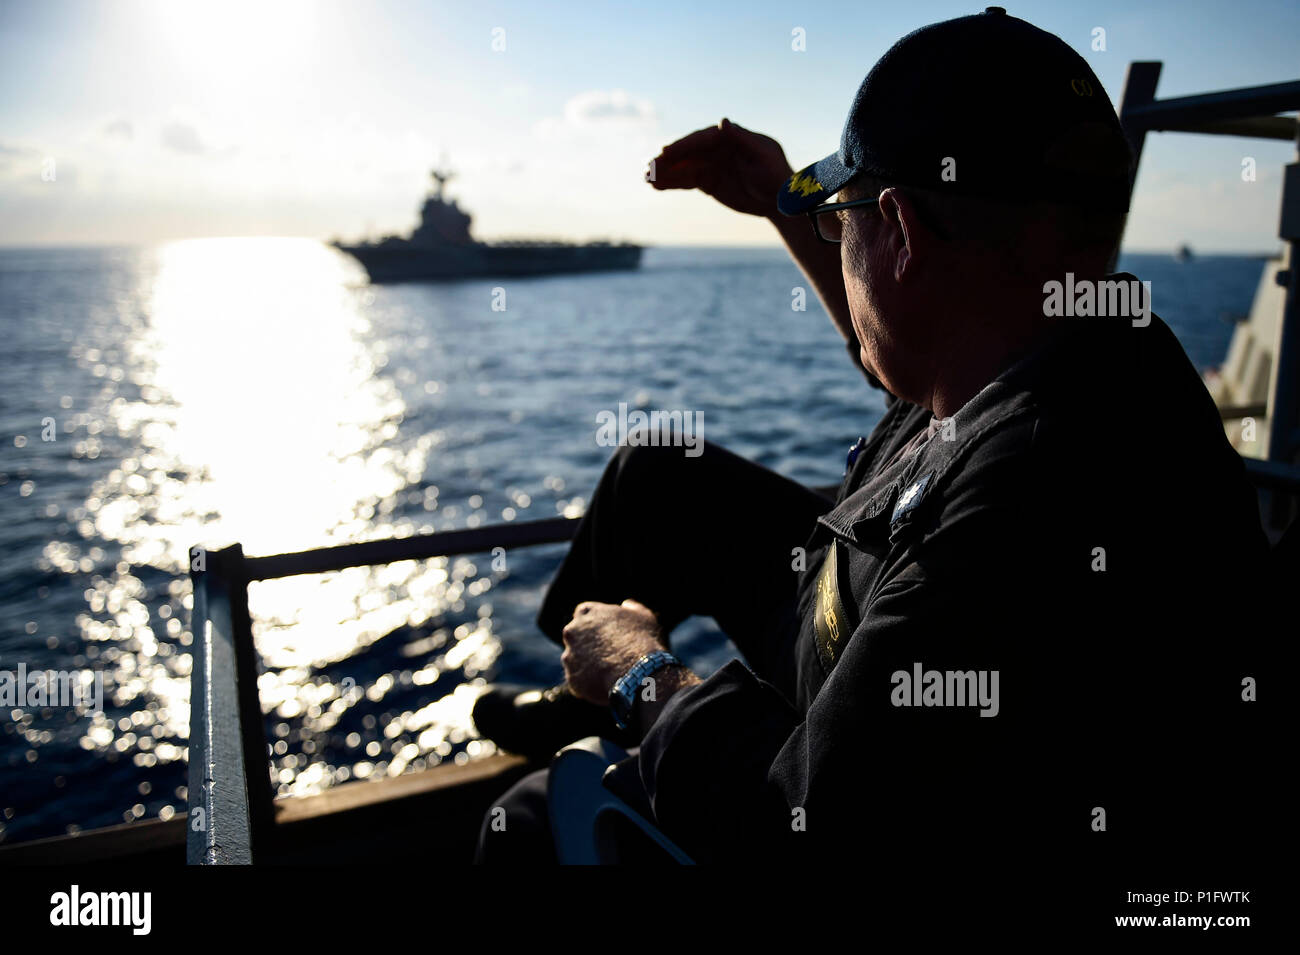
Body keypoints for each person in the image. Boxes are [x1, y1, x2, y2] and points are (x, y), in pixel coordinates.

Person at [474, 8, 1269, 871]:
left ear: (899, 231)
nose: (833, 228)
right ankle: (573, 688)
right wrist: (789, 203)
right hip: (838, 598)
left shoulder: (1032, 500)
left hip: (851, 684)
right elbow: (904, 328)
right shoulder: (1080, 341)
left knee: (527, 820)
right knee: (658, 476)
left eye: (841, 213)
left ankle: (596, 691)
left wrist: (641, 672)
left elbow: (797, 824)